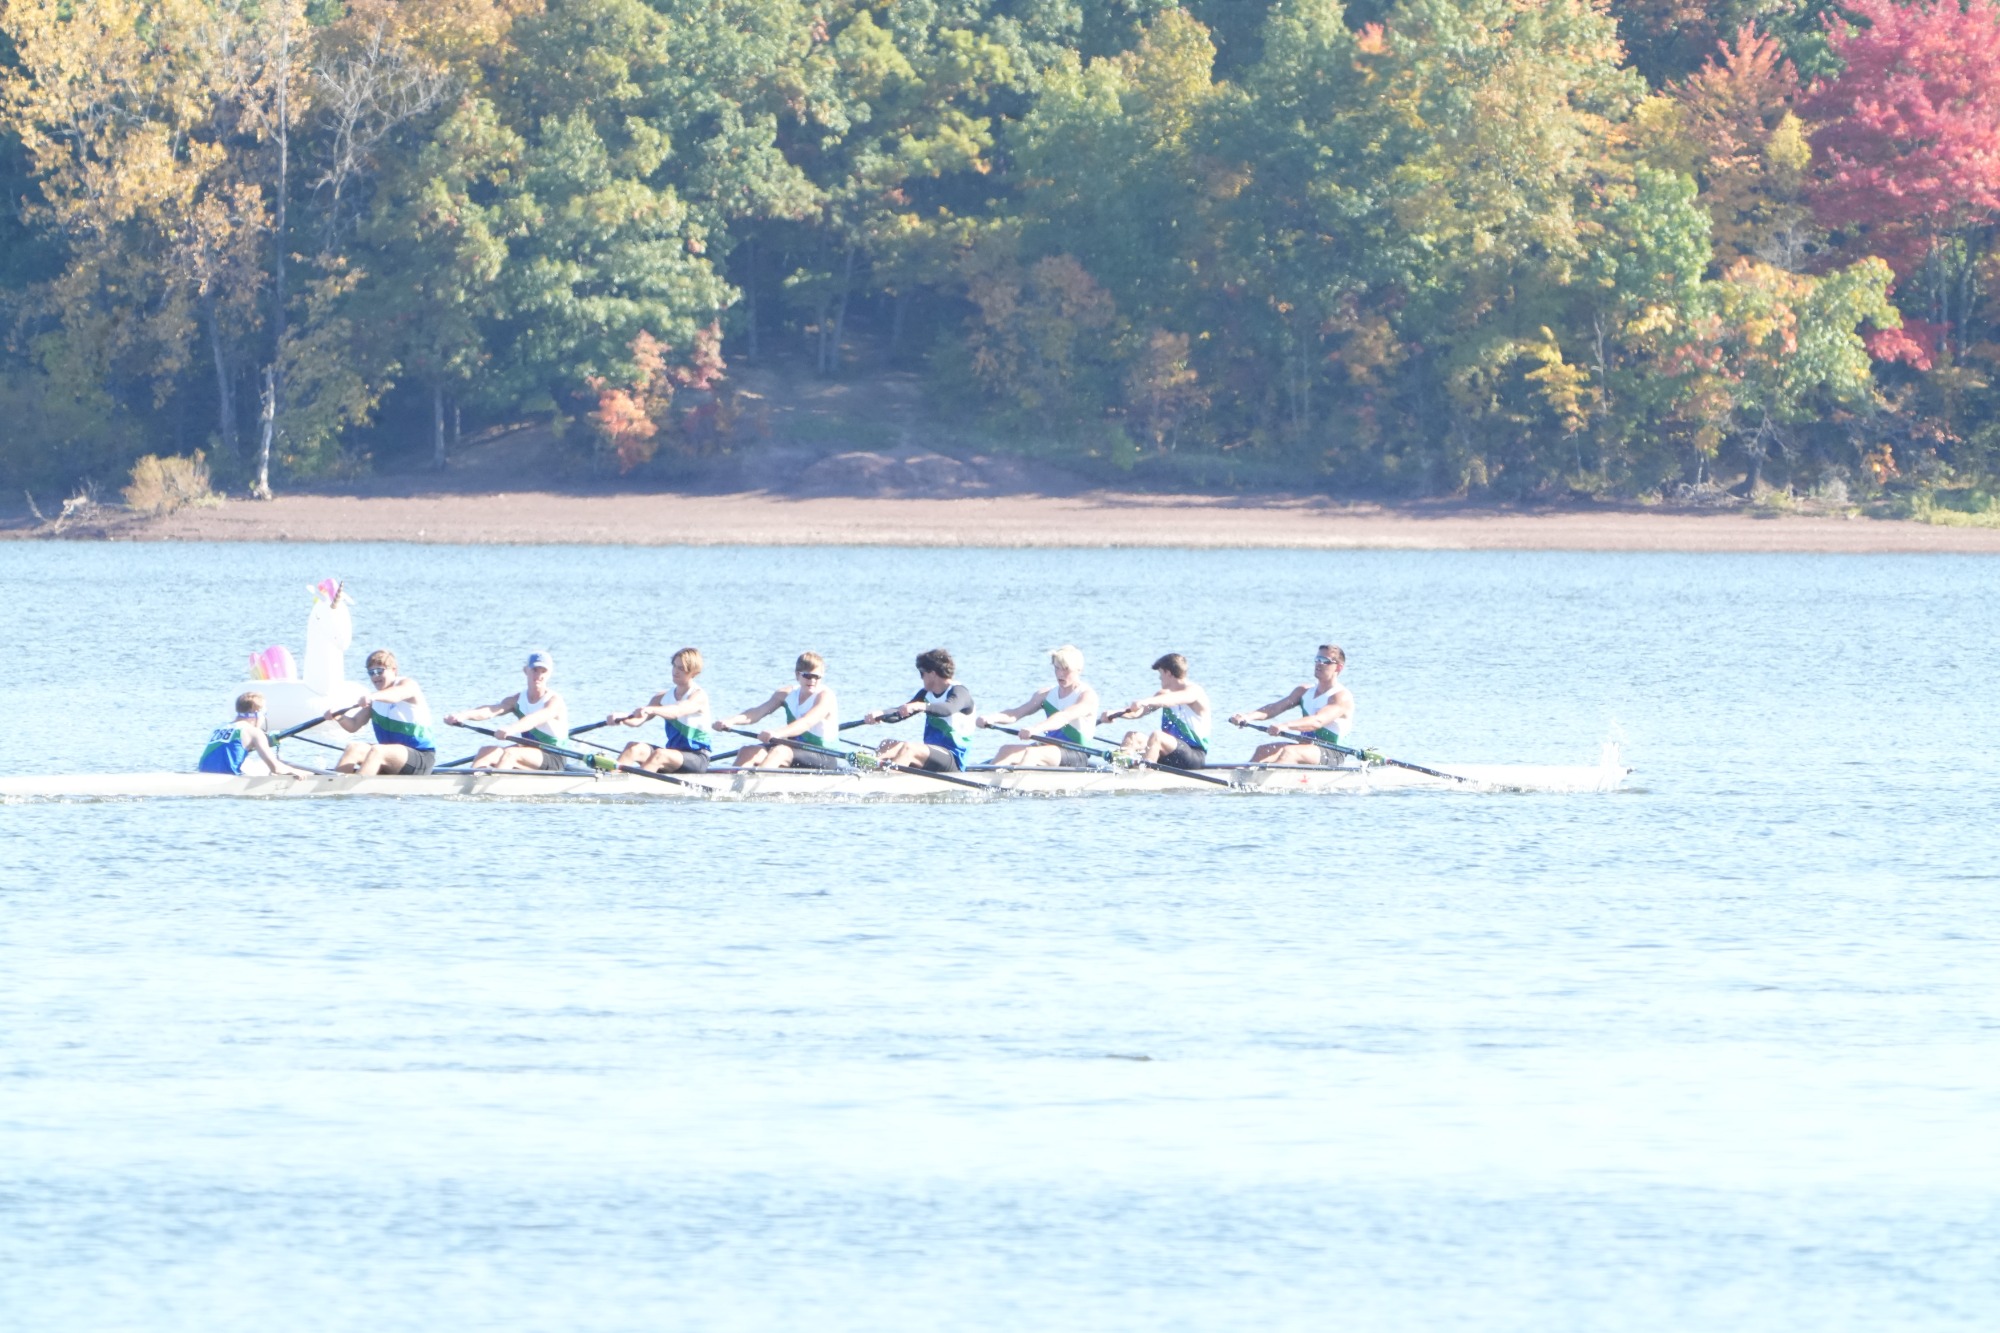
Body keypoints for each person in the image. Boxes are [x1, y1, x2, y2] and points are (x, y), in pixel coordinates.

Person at [1229, 643, 1355, 764]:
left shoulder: (1341, 696)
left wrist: (1286, 725)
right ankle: (1241, 777)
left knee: (1289, 752)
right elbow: (1274, 708)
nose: (1319, 664)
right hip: (1307, 747)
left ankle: (1267, 782)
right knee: (1262, 750)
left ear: (1338, 667)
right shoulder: (1303, 691)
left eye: (1325, 661)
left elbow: (1317, 721)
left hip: (1333, 753)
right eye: (1317, 659)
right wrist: (1247, 717)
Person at [443, 651, 571, 771]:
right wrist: (462, 716)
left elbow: (534, 719)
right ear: (526, 671)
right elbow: (491, 710)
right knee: (486, 751)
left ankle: (493, 790)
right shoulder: (517, 700)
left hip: (554, 755)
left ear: (550, 674)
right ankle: (468, 784)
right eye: (535, 670)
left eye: (543, 671)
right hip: (527, 751)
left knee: (510, 754)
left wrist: (511, 729)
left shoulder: (554, 701)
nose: (539, 675)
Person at [978, 645, 1100, 767]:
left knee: (1032, 753)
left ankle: (1016, 784)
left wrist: (1035, 729)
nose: (1060, 674)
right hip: (1049, 748)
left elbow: (1063, 717)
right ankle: (983, 781)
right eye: (1057, 668)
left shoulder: (1087, 696)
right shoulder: (1045, 694)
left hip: (1077, 752)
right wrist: (991, 718)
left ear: (1079, 669)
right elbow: (1016, 713)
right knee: (1006, 751)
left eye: (1066, 669)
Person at [322, 649, 438, 776]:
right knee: (354, 748)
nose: (375, 676)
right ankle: (333, 788)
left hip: (420, 757)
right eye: (371, 673)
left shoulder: (408, 685)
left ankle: (354, 790)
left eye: (379, 671)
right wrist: (339, 717)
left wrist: (373, 697)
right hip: (390, 757)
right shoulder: (376, 700)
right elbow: (354, 725)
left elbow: (396, 695)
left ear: (394, 670)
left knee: (378, 750)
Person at [721, 651, 842, 770]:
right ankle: (727, 784)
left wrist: (777, 733)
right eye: (807, 676)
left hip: (824, 755)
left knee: (780, 751)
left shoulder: (825, 697)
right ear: (797, 675)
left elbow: (806, 723)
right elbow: (758, 712)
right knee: (747, 751)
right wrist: (731, 721)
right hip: (794, 750)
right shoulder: (785, 694)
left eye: (817, 677)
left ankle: (754, 785)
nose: (812, 680)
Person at [864, 648, 976, 772]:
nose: (921, 678)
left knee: (909, 749)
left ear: (932, 673)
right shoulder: (926, 694)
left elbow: (948, 709)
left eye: (922, 673)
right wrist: (881, 714)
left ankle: (884, 781)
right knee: (888, 745)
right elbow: (900, 713)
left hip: (953, 758)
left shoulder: (959, 692)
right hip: (930, 754)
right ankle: (867, 772)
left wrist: (920, 706)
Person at [606, 647, 714, 773]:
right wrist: (621, 718)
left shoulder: (698, 696)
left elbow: (677, 711)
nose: (675, 671)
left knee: (660, 754)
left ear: (694, 673)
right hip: (671, 756)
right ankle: (608, 781)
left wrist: (652, 710)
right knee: (633, 748)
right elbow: (638, 721)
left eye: (681, 668)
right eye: (674, 666)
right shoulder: (661, 698)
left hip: (697, 757)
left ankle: (635, 787)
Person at [1102, 652, 1212, 769]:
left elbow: (1174, 699)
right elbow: (1139, 711)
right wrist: (1114, 714)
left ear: (1168, 672)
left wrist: (1146, 701)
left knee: (1157, 736)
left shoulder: (1194, 691)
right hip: (1169, 751)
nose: (1160, 678)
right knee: (1132, 737)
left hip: (1193, 756)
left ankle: (1143, 775)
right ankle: (1120, 770)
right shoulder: (1162, 695)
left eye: (1160, 674)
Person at [198, 691, 312, 778]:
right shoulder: (254, 732)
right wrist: (301, 773)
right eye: (265, 714)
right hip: (227, 780)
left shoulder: (219, 727)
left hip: (203, 776)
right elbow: (276, 768)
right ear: (257, 713)